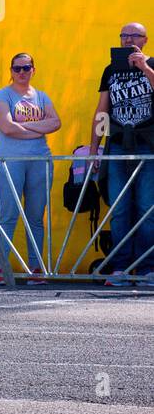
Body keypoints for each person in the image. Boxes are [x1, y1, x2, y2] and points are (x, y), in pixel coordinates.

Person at [88, 22, 154, 286]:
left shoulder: (152, 64)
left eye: (133, 36)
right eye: (123, 36)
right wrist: (94, 150)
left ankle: (148, 268)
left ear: (145, 39)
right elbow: (102, 109)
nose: (127, 40)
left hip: (148, 145)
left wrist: (144, 67)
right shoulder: (111, 69)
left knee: (147, 208)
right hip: (116, 145)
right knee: (119, 208)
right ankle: (121, 267)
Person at [0, 53, 60, 286]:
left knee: (35, 217)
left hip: (39, 160)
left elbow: (56, 122)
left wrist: (23, 127)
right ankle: (2, 268)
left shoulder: (42, 96)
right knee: (8, 215)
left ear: (33, 69)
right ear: (11, 71)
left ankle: (36, 267)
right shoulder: (3, 95)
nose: (22, 72)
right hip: (10, 160)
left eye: (26, 68)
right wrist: (38, 128)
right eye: (17, 68)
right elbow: (7, 128)